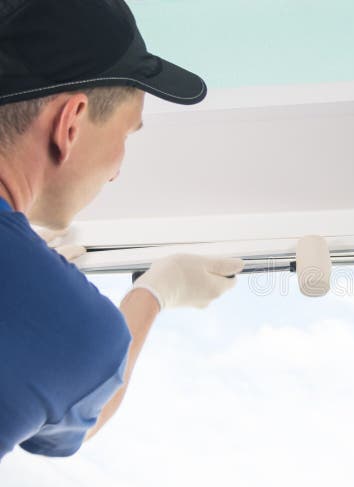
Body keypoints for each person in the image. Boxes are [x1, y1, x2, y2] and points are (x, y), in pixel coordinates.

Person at [0, 0, 244, 461]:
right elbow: (78, 419)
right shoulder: (71, 328)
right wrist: (154, 293)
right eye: (127, 134)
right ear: (69, 123)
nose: (116, 173)